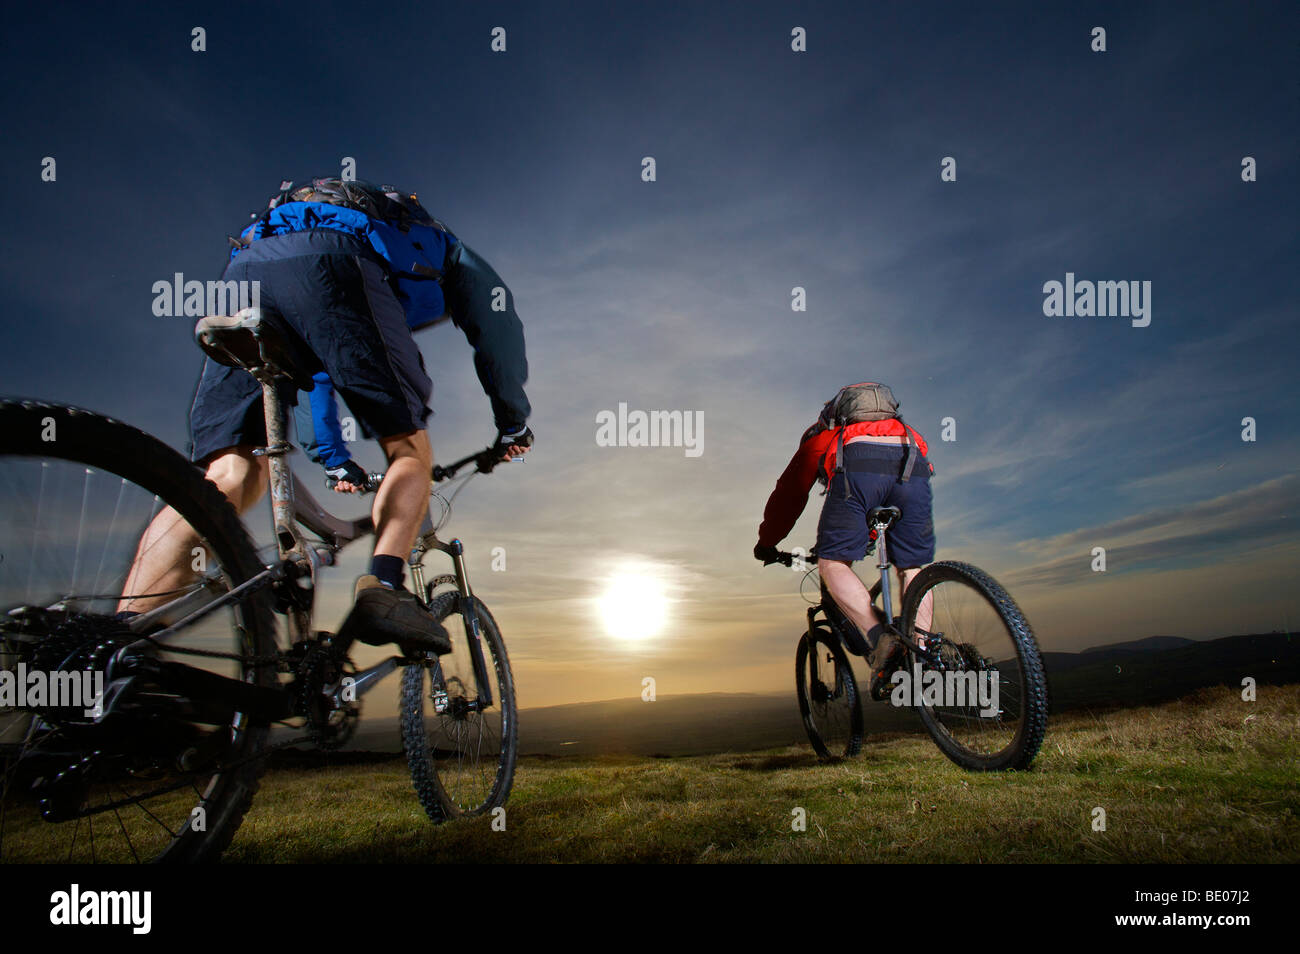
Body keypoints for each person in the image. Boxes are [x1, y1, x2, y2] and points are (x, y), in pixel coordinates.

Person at [118, 178, 533, 656]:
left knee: (231, 471)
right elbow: (498, 322)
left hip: (242, 275)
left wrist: (333, 459)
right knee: (409, 450)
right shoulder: (444, 245)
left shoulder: (289, 223)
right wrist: (512, 423)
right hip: (337, 264)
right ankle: (383, 589)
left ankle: (121, 638)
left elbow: (316, 369)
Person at [754, 382, 934, 693]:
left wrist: (767, 543)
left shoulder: (823, 437)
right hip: (913, 468)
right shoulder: (904, 430)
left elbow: (790, 495)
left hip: (860, 474)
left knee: (833, 564)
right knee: (911, 567)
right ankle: (920, 651)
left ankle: (882, 641)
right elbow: (903, 472)